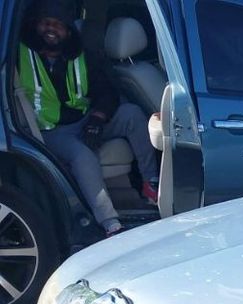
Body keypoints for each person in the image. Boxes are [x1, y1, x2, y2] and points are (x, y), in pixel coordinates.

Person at [19, 0, 158, 235]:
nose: (51, 29)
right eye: (45, 23)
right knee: (83, 156)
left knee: (132, 114)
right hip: (51, 130)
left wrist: (97, 118)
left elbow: (107, 90)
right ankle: (110, 223)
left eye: (58, 25)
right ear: (36, 26)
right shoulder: (20, 55)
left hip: (85, 120)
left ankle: (150, 183)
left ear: (68, 29)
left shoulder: (81, 54)